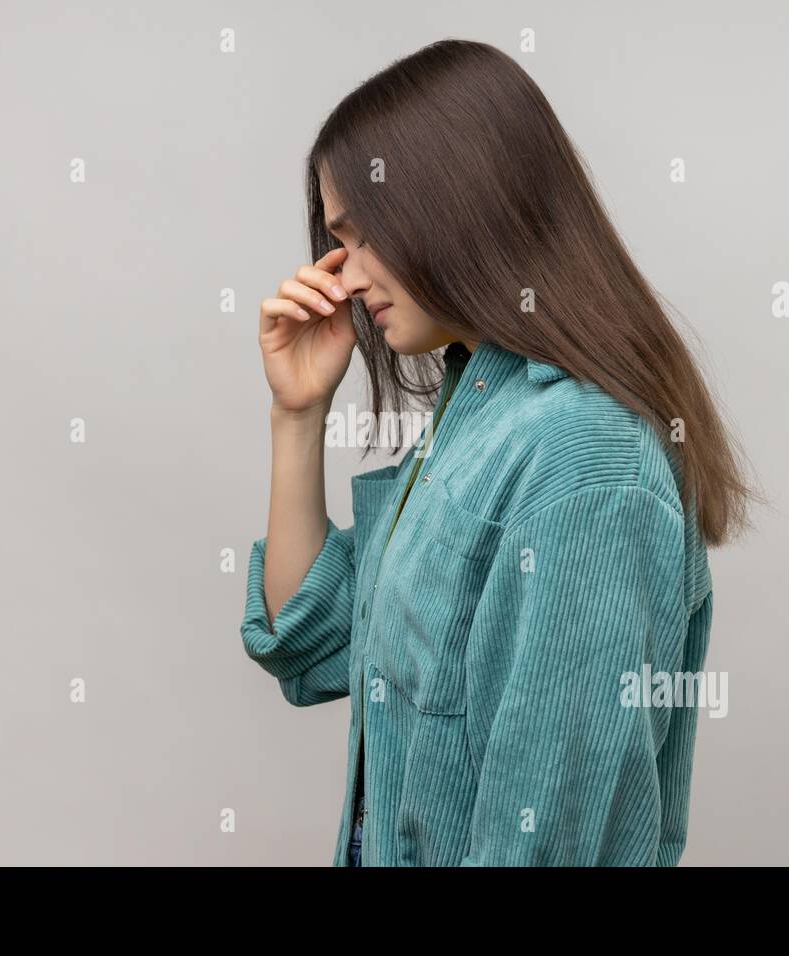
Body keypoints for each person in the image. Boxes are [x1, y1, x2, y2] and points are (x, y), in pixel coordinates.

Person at [240, 39, 759, 867]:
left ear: (464, 204)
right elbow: (312, 645)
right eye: (340, 240)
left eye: (368, 234)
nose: (345, 275)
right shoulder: (476, 411)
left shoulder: (581, 464)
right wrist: (297, 414)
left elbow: (546, 845)